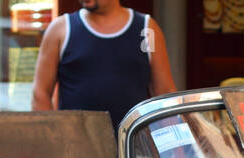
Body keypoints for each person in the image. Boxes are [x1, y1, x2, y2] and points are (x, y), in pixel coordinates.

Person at [31, 0, 176, 132]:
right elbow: (40, 93)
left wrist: (177, 151)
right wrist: (51, 139)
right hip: (75, 150)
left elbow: (164, 94)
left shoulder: (146, 29)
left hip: (134, 149)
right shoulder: (61, 28)